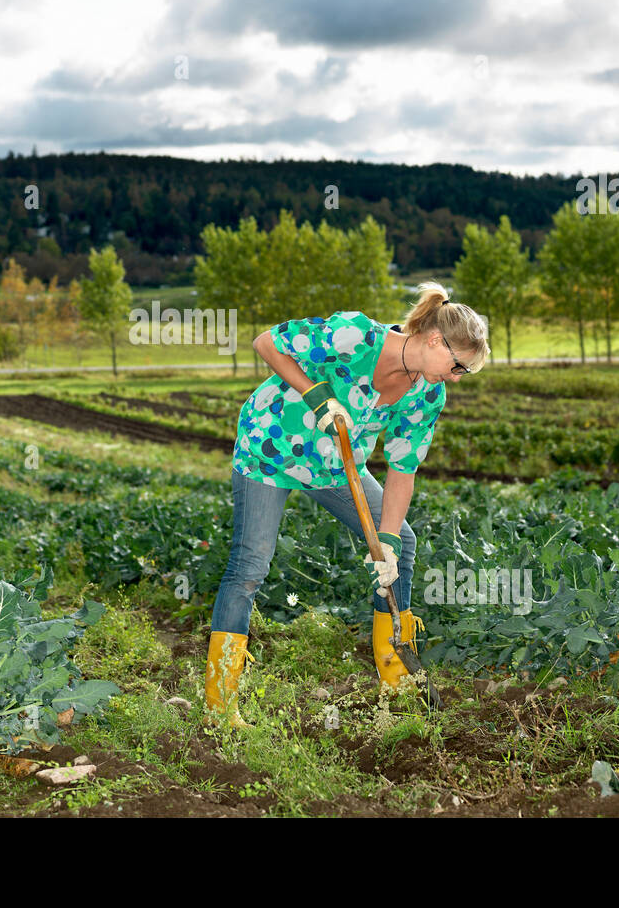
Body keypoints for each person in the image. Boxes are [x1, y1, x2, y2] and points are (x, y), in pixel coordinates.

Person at [204, 282, 489, 728]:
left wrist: (388, 541)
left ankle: (395, 679)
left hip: (335, 466)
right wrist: (315, 393)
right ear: (436, 340)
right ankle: (220, 705)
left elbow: (403, 466)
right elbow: (267, 343)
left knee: (405, 545)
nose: (456, 377)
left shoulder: (427, 392)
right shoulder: (355, 337)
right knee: (250, 565)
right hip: (272, 449)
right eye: (458, 367)